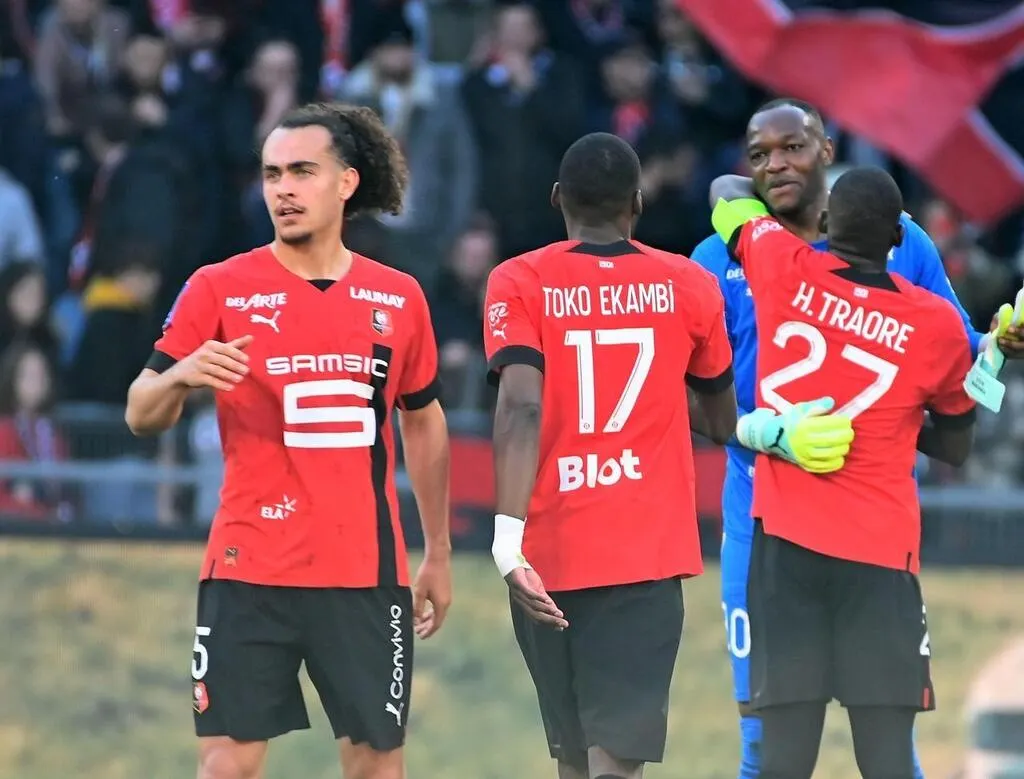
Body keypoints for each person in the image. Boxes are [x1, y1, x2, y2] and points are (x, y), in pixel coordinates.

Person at [689, 98, 1024, 779]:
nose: (776, 164)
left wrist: (999, 346)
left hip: (861, 524)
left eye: (793, 147)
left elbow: (957, 361)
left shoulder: (891, 244)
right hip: (762, 519)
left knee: (878, 747)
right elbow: (690, 396)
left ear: (829, 152)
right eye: (759, 155)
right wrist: (768, 435)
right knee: (767, 738)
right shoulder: (712, 258)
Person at [124, 102, 452, 779]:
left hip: (365, 573)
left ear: (347, 183)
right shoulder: (219, 287)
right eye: (272, 174)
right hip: (250, 568)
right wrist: (181, 375)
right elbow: (139, 411)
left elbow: (423, 419)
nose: (283, 189)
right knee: (226, 766)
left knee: (376, 768)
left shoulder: (399, 298)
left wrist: (438, 552)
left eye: (302, 171)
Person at [482, 132, 738, 779]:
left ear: (557, 200)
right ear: (638, 203)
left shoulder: (518, 280)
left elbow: (519, 407)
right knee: (612, 763)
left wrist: (505, 542)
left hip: (546, 551)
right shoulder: (689, 283)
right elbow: (720, 420)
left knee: (573, 758)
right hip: (643, 554)